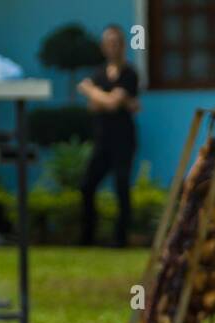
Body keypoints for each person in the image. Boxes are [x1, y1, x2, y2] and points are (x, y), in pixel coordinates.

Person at [77, 25, 140, 248]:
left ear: (122, 45)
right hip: (102, 139)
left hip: (123, 140)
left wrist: (90, 90)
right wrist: (116, 100)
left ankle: (121, 240)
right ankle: (87, 237)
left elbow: (111, 104)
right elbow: (95, 107)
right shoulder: (99, 73)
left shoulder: (129, 73)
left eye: (116, 42)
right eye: (108, 43)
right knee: (87, 185)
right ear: (103, 47)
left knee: (121, 188)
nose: (112, 47)